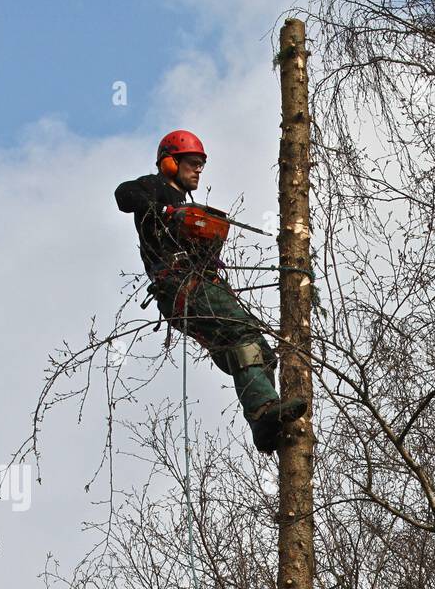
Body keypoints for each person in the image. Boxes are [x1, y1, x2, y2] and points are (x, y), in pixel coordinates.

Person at [115, 130, 305, 454]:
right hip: (178, 286)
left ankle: (264, 425)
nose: (198, 170)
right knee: (242, 332)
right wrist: (160, 209)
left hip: (200, 285)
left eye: (202, 165)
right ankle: (262, 409)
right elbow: (123, 195)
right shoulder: (153, 187)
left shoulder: (187, 206)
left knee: (260, 348)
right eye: (192, 163)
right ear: (170, 164)